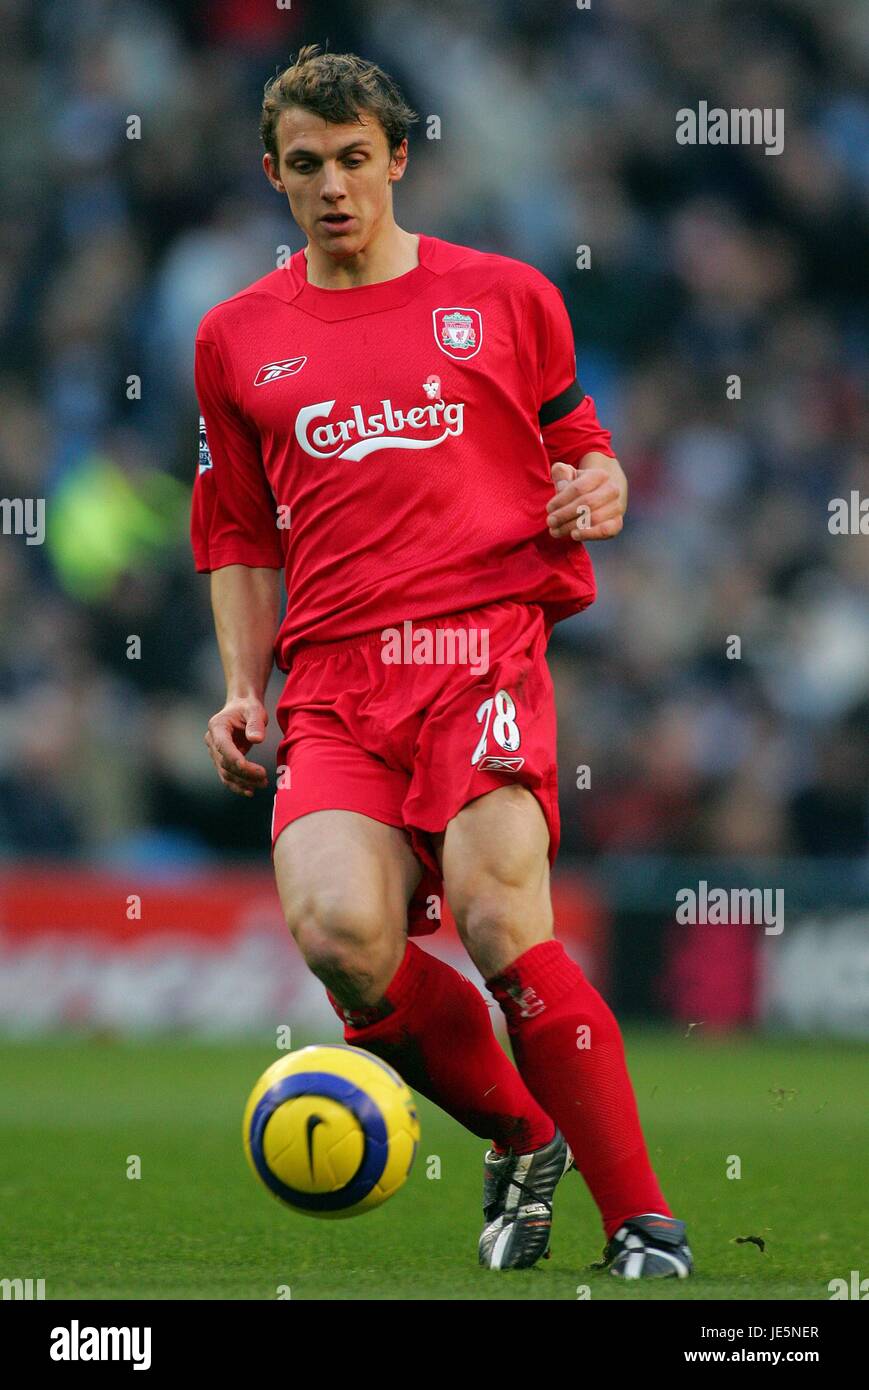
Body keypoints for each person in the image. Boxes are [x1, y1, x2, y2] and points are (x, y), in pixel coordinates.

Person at [191, 44, 692, 1279]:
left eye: (355, 158)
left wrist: (603, 483)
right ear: (273, 175)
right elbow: (240, 530)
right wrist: (244, 686)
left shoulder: (509, 296)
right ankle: (525, 1136)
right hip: (333, 683)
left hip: (477, 654)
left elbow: (581, 443)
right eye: (305, 165)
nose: (333, 186)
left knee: (494, 912)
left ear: (397, 158)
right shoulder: (236, 338)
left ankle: (643, 1222)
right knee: (341, 935)